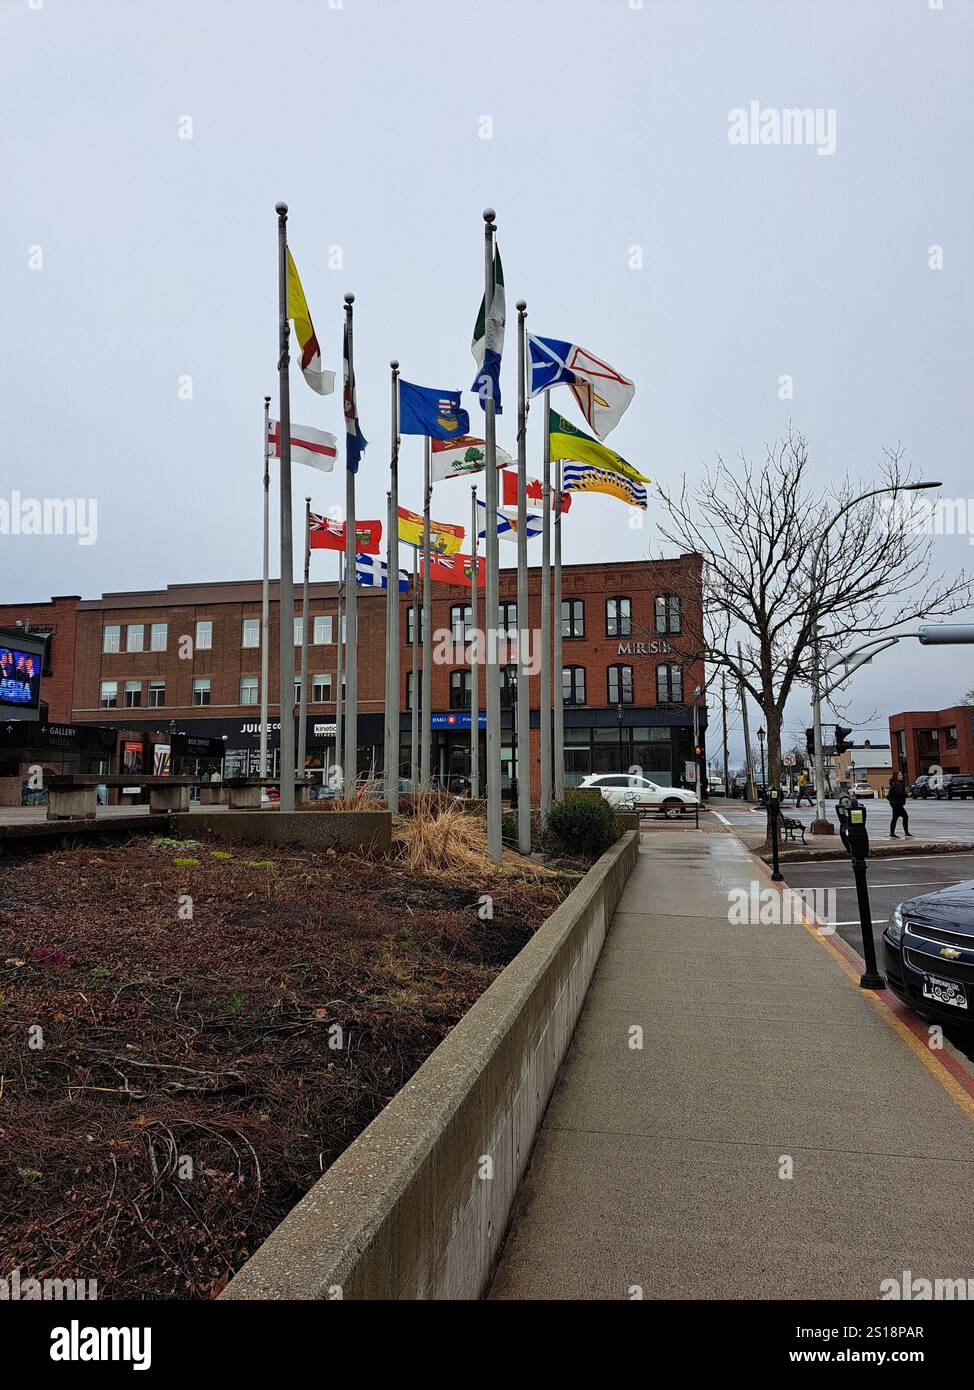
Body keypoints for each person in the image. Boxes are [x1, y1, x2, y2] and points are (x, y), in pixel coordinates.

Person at [888, 770, 911, 838]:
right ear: (896, 776)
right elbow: (899, 793)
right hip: (896, 804)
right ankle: (903, 832)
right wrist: (907, 794)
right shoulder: (896, 784)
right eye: (899, 775)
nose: (901, 776)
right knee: (904, 817)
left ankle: (893, 833)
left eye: (901, 775)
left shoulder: (897, 783)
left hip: (896, 803)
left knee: (896, 818)